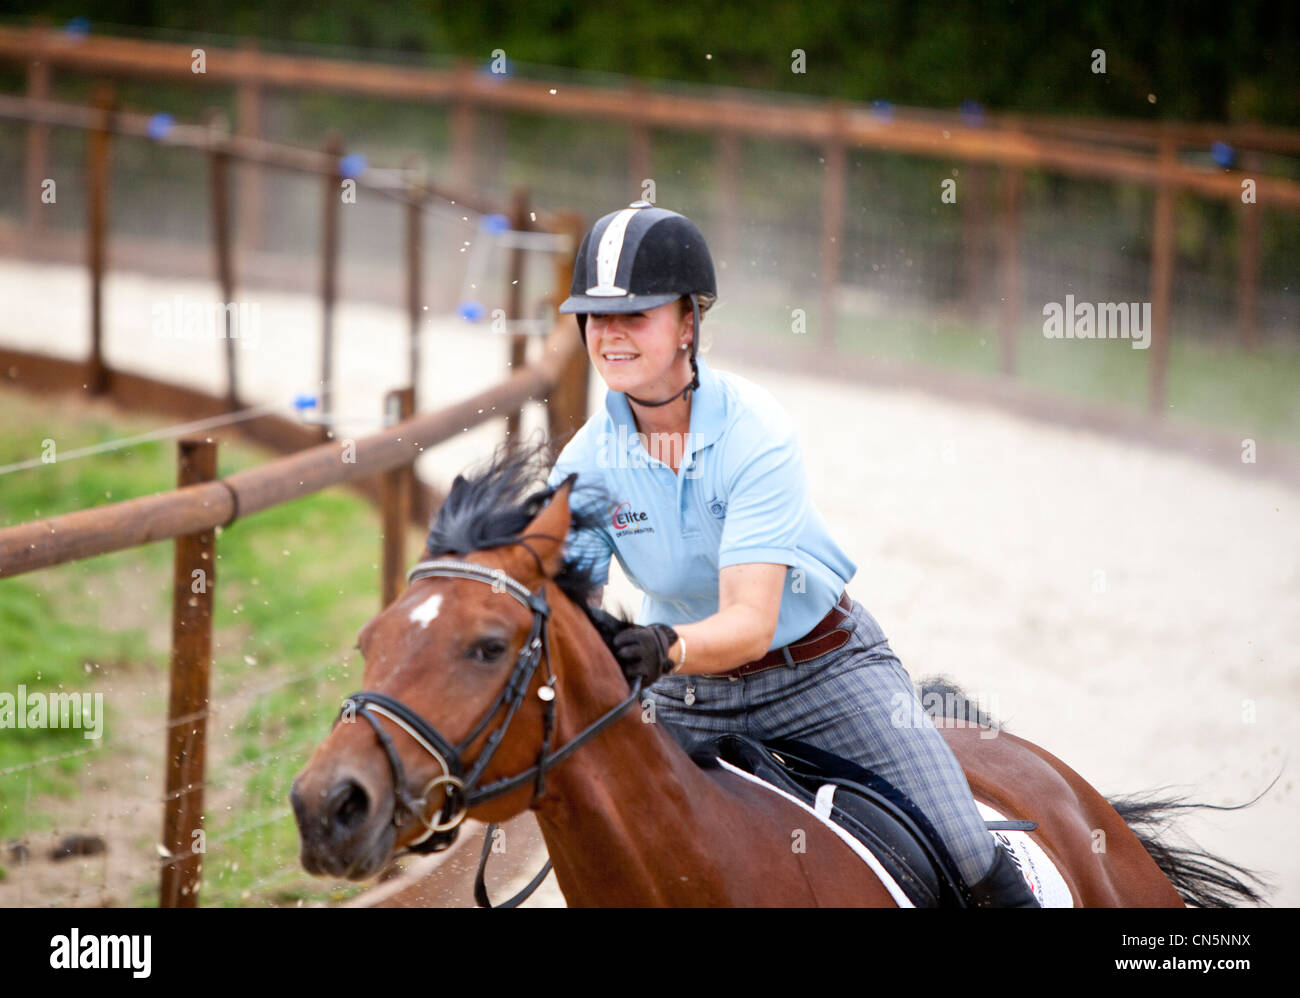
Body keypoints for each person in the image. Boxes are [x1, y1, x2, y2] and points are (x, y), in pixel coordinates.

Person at [544, 200, 1037, 907]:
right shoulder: (581, 466)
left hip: (820, 672)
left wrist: (661, 644)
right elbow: (568, 611)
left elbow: (750, 621)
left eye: (635, 315)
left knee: (966, 850)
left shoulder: (755, 431)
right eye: (596, 317)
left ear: (688, 324)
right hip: (684, 695)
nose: (610, 334)